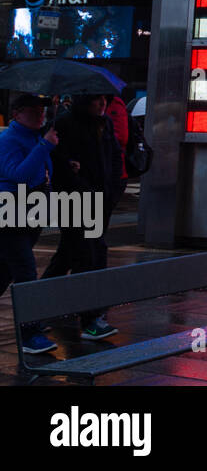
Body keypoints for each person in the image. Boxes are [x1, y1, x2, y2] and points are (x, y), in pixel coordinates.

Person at [42, 94, 124, 339]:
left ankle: (38, 302)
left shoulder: (104, 123)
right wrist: (78, 181)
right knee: (88, 255)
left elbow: (114, 156)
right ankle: (90, 318)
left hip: (100, 198)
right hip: (75, 199)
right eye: (96, 100)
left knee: (71, 252)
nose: (102, 105)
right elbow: (58, 162)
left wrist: (111, 190)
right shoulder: (65, 123)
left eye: (104, 100)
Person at [0, 94, 58, 355]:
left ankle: (31, 330)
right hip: (10, 212)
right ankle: (30, 335)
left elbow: (38, 172)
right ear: (16, 114)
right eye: (33, 111)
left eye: (42, 110)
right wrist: (44, 147)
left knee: (4, 270)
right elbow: (18, 174)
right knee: (25, 273)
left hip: (29, 213)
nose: (40, 115)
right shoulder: (9, 140)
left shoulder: (35, 137)